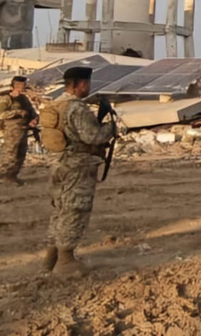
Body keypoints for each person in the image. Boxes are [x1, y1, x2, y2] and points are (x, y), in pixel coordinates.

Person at [43, 66, 116, 275]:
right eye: (87, 84)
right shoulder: (76, 108)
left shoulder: (55, 105)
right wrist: (111, 128)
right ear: (81, 84)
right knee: (75, 210)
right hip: (77, 165)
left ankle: (51, 258)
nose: (88, 87)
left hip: (59, 163)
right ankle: (65, 261)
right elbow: (92, 137)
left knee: (59, 210)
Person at [0, 75, 38, 185]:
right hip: (11, 130)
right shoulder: (6, 99)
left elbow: (31, 111)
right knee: (11, 154)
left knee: (21, 154)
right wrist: (17, 112)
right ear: (14, 86)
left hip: (23, 129)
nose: (23, 87)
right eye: (20, 85)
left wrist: (34, 119)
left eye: (24, 85)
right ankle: (6, 176)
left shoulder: (24, 99)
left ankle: (14, 175)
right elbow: (1, 115)